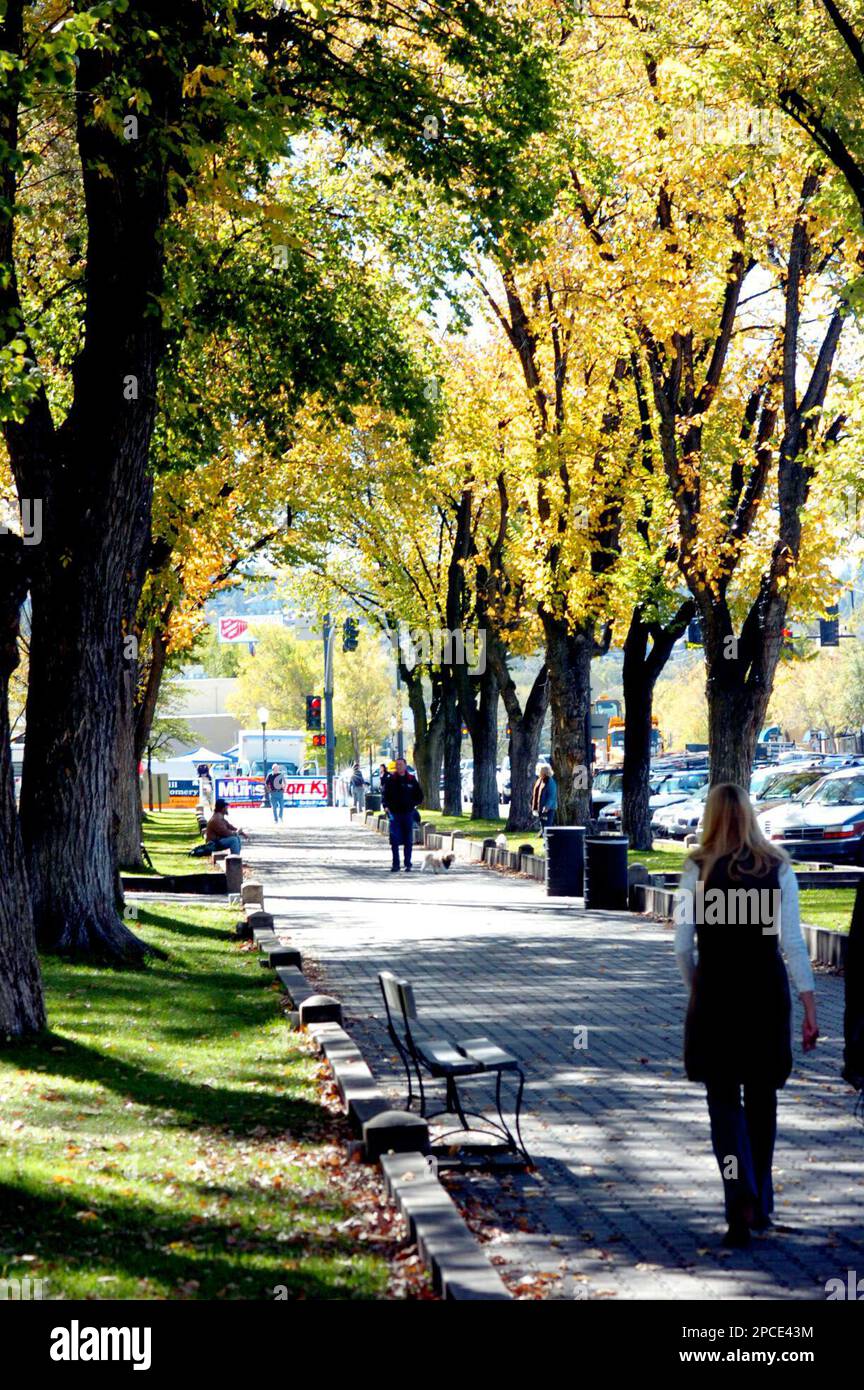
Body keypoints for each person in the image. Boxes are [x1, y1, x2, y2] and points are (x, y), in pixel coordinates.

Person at [674, 782, 818, 1248]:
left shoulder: (696, 868)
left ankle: (738, 1193)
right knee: (761, 1101)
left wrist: (696, 986)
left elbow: (681, 944)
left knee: (722, 1104)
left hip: (716, 995)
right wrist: (810, 1005)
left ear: (711, 816)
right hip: (764, 997)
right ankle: (762, 1200)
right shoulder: (777, 868)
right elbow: (793, 944)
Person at [382, 756, 423, 872]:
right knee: (394, 839)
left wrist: (413, 804)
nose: (399, 766)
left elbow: (419, 795)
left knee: (408, 840)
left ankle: (408, 864)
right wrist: (386, 807)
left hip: (408, 813)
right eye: (397, 764)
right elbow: (384, 795)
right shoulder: (390, 780)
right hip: (394, 814)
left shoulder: (411, 779)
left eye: (401, 764)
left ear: (405, 766)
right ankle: (396, 864)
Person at [533, 763, 557, 837]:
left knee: (547, 826)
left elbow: (551, 796)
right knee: (543, 826)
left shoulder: (550, 781)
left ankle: (548, 842)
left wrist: (547, 806)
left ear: (544, 772)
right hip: (541, 808)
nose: (538, 772)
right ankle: (545, 842)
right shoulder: (540, 780)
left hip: (548, 809)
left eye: (540, 770)